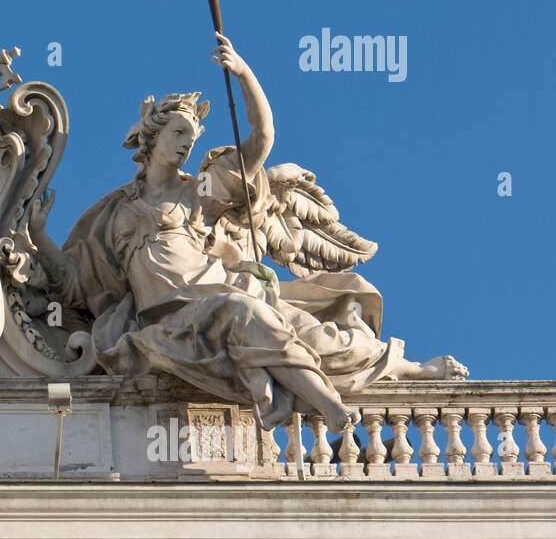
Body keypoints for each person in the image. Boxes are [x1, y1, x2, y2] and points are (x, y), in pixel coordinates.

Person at [29, 35, 466, 430]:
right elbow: (71, 283)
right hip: (172, 317)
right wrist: (38, 232)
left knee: (314, 335)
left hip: (221, 291)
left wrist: (243, 73)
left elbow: (262, 139)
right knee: (246, 314)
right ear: (152, 136)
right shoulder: (115, 211)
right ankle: (331, 407)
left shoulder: (198, 191)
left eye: (192, 135)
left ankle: (409, 368)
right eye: (178, 132)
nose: (187, 142)